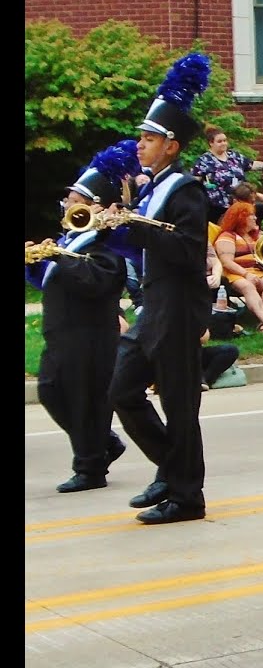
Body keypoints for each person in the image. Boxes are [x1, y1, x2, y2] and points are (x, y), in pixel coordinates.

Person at [105, 53, 213, 524]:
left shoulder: (185, 190)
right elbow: (148, 248)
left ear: (171, 146)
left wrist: (139, 226)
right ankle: (171, 469)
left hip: (180, 308)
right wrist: (117, 229)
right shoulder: (152, 189)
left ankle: (187, 495)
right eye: (142, 137)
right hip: (155, 304)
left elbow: (188, 249)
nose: (140, 145)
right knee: (122, 389)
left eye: (149, 139)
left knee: (179, 403)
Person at [27, 140, 136, 493]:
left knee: (84, 400)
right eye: (68, 202)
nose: (68, 208)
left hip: (89, 337)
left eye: (75, 203)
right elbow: (54, 282)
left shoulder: (105, 246)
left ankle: (90, 468)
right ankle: (103, 442)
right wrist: (35, 263)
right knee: (51, 391)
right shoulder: (72, 243)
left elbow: (95, 282)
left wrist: (59, 258)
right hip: (62, 335)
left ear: (95, 207)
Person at [214, 201, 263, 334]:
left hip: (255, 271)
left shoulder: (253, 236)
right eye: (251, 215)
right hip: (234, 273)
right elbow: (227, 262)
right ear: (241, 217)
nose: (255, 218)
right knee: (247, 286)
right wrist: (246, 274)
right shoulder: (226, 236)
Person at [192, 125, 263, 225]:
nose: (223, 143)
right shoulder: (204, 161)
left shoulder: (234, 156)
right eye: (219, 141)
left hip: (241, 204)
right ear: (211, 143)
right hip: (218, 208)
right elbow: (195, 182)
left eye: (225, 140)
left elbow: (251, 164)